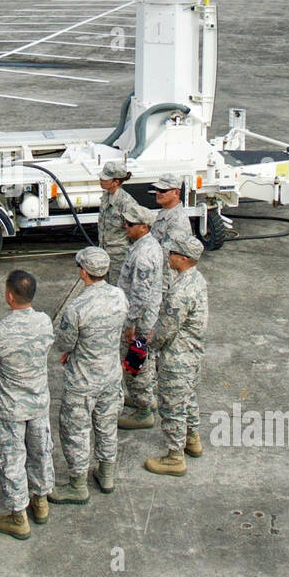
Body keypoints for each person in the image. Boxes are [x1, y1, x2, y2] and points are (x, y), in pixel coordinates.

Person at [0, 270, 54, 540]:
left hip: (10, 407)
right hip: (38, 402)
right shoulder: (45, 322)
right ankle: (40, 501)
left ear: (9, 296)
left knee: (11, 458)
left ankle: (18, 515)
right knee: (41, 451)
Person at [50, 247, 129, 503]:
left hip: (83, 381)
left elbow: (64, 343)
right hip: (110, 374)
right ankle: (106, 475)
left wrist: (72, 351)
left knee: (76, 431)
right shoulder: (119, 296)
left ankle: (77, 485)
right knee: (106, 426)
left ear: (84, 272)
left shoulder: (77, 308)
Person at [145, 230, 209, 476]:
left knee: (172, 405)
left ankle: (175, 456)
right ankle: (192, 439)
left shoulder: (181, 290)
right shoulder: (196, 279)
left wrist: (150, 343)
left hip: (177, 356)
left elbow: (166, 329)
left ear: (183, 259)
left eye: (172, 253)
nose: (168, 257)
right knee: (188, 397)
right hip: (192, 353)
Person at [116, 204, 164, 431]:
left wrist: (130, 324)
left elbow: (140, 294)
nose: (125, 226)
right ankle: (143, 399)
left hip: (140, 323)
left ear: (144, 227)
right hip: (146, 318)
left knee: (136, 363)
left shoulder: (144, 255)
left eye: (130, 224)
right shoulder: (147, 245)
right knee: (143, 361)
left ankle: (143, 409)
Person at [97, 162, 139, 282]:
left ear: (115, 182)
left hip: (120, 259)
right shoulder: (106, 196)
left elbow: (137, 232)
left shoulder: (126, 203)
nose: (100, 180)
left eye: (105, 178)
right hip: (105, 255)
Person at [150, 173, 192, 251]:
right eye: (157, 189)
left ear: (176, 192)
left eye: (162, 190)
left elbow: (171, 255)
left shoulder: (178, 221)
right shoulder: (166, 212)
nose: (158, 193)